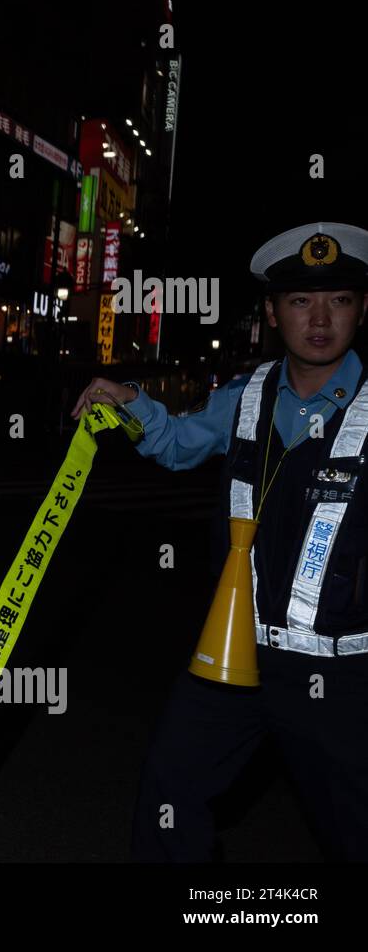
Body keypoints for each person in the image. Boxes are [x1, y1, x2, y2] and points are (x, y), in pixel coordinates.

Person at [71, 221, 368, 862]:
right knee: (168, 797)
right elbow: (179, 444)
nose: (320, 319)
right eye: (299, 302)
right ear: (271, 311)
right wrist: (129, 401)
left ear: (362, 308)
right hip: (233, 654)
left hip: (342, 675)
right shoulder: (245, 396)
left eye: (339, 300)